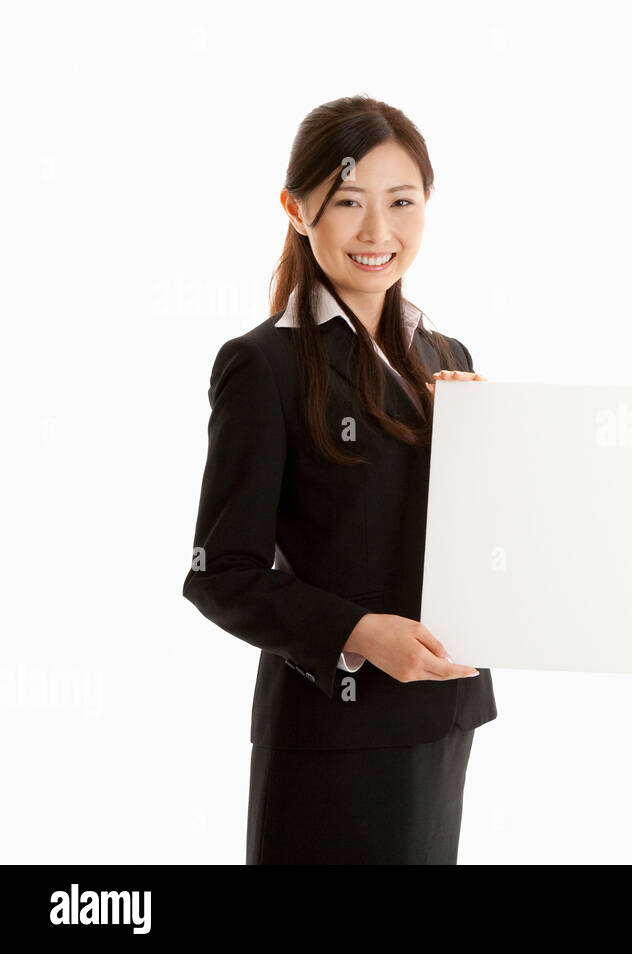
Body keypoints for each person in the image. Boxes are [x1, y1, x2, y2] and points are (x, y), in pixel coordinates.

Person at [182, 95, 495, 864]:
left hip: (442, 718)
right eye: (348, 203)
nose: (377, 233)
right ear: (297, 208)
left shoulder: (444, 354)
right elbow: (220, 574)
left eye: (402, 202)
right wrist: (358, 634)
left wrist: (491, 453)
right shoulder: (264, 365)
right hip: (331, 738)